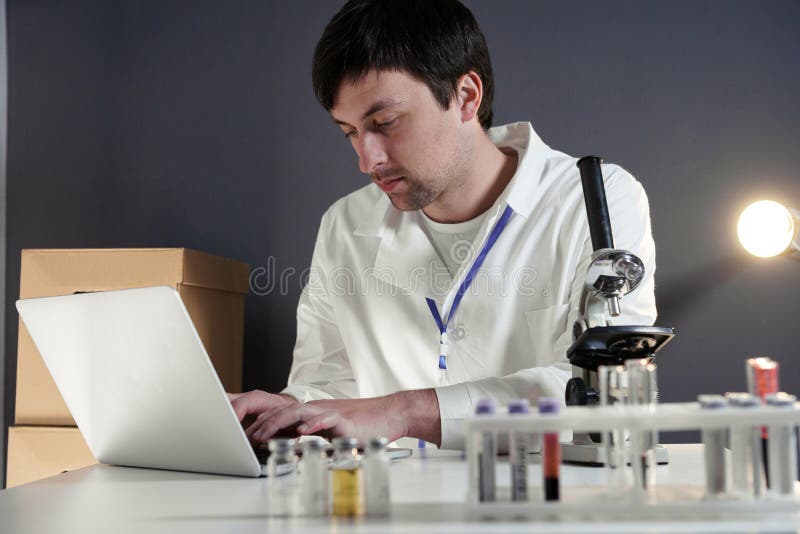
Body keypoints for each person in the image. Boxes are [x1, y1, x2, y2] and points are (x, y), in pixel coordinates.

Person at [229, 0, 656, 450]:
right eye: (349, 132)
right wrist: (284, 411)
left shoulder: (595, 199)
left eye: (385, 123)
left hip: (539, 506)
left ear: (467, 96)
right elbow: (329, 386)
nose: (366, 159)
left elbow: (611, 390)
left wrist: (403, 412)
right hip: (384, 511)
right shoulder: (345, 224)